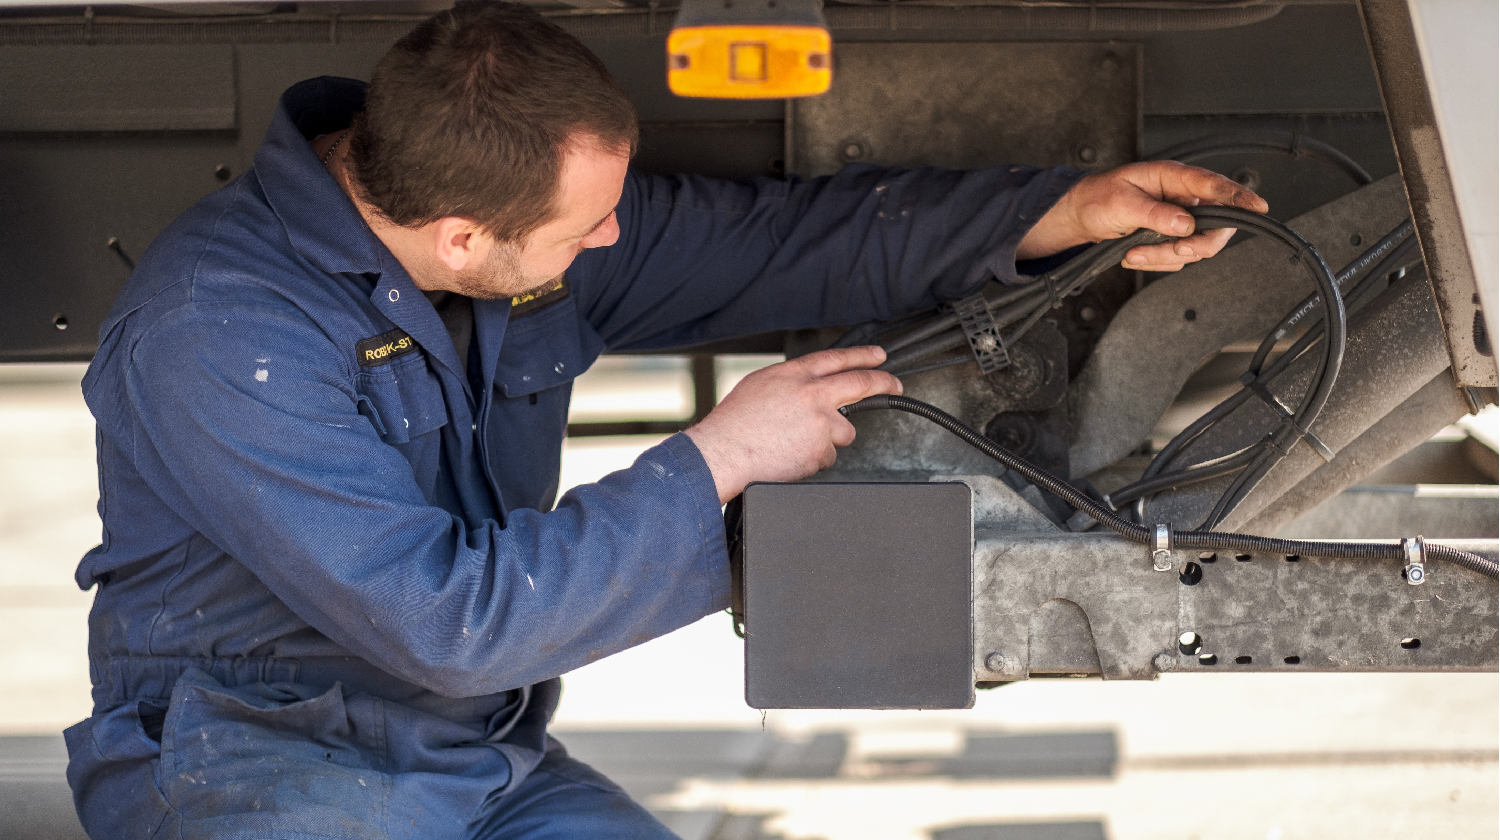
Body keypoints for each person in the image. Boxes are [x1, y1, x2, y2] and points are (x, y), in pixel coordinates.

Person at [63, 2, 1266, 837]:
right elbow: (448, 621)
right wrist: (716, 462)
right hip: (264, 772)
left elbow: (774, 245)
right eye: (582, 229)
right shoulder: (218, 336)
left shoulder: (496, 231)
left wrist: (1060, 210)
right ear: (460, 241)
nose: (613, 243)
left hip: (473, 763)